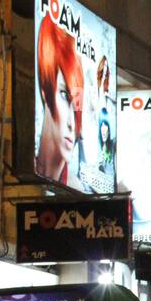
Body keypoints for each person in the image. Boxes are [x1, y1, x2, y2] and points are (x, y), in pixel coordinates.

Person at [35, 13, 84, 188]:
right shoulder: (27, 169)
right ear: (45, 92)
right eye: (64, 95)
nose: (72, 123)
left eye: (77, 103)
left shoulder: (77, 188)